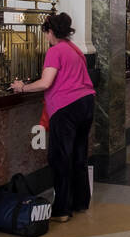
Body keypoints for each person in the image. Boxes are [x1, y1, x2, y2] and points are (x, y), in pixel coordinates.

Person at [11, 12, 95, 224]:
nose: (46, 37)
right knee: (79, 155)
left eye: (46, 33)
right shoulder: (75, 49)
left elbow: (45, 83)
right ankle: (80, 201)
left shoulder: (55, 51)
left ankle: (62, 210)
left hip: (66, 107)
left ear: (51, 31)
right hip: (86, 103)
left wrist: (22, 87)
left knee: (60, 158)